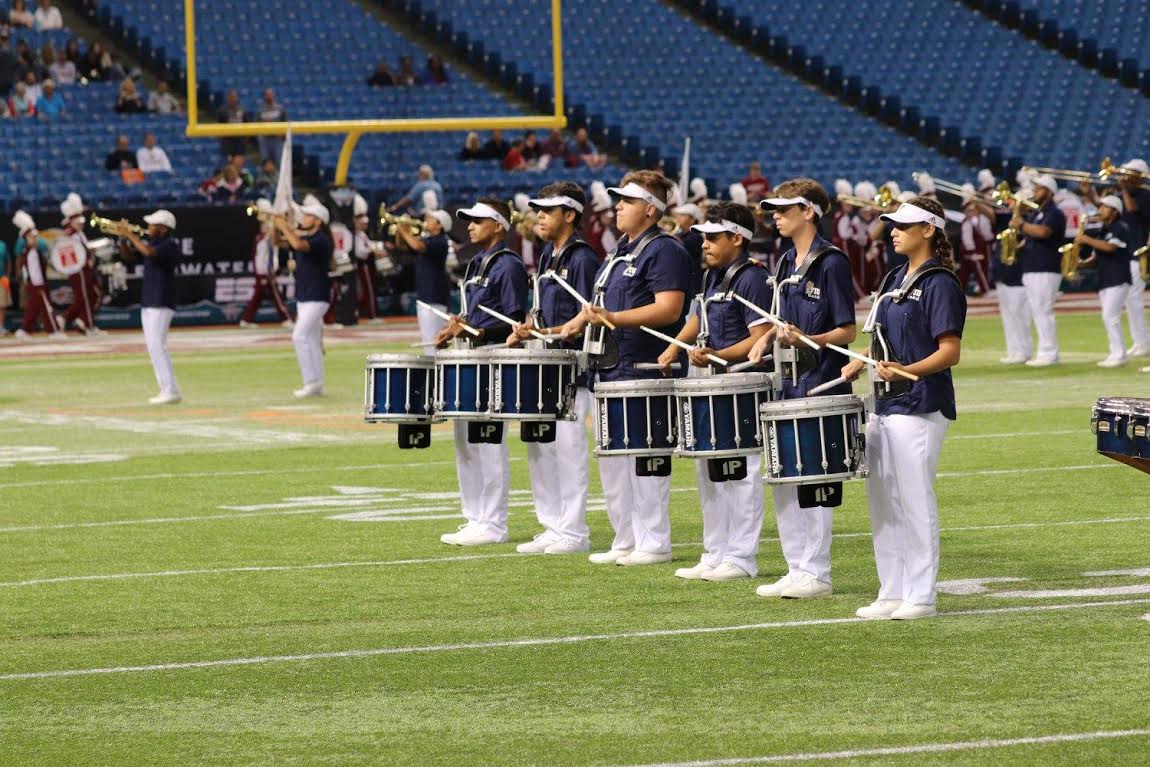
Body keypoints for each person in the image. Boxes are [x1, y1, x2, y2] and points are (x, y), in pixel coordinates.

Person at [559, 170, 692, 567]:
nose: (617, 206)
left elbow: (669, 307)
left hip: (644, 367)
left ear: (649, 209)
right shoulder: (620, 249)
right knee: (613, 459)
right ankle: (625, 537)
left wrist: (613, 316)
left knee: (645, 456)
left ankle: (654, 541)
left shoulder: (664, 249)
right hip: (610, 366)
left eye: (626, 201)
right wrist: (584, 319)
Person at [842, 197, 967, 621]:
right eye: (891, 225)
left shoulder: (940, 282)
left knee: (914, 499)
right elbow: (879, 336)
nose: (892, 230)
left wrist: (905, 371)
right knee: (883, 501)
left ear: (928, 229)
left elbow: (949, 351)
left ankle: (921, 594)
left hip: (920, 404)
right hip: (884, 404)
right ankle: (891, 589)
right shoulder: (894, 276)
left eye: (902, 225)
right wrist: (862, 357)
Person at [749, 178, 857, 599]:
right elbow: (780, 320)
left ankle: (817, 571)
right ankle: (796, 567)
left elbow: (847, 329)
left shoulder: (831, 261)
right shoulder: (782, 263)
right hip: (787, 382)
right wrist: (768, 337)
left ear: (808, 211)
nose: (775, 216)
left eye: (783, 209)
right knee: (783, 476)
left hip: (819, 384)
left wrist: (808, 339)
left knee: (813, 477)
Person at [658, 202, 771, 581]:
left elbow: (758, 340)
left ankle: (741, 557)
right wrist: (675, 346)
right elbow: (697, 317)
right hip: (710, 383)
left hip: (741, 385)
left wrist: (718, 355)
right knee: (710, 471)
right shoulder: (712, 276)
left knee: (740, 473)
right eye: (703, 237)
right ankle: (715, 551)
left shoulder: (752, 278)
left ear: (736, 238)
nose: (703, 244)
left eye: (712, 237)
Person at [507, 182, 600, 555]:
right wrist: (531, 325)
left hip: (572, 367)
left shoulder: (582, 258)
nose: (539, 216)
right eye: (539, 210)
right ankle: (552, 523)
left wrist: (557, 330)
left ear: (571, 214)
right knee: (541, 448)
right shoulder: (548, 255)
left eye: (548, 211)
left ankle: (574, 530)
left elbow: (589, 309)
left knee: (569, 449)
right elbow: (544, 307)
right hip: (546, 362)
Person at [435, 198, 527, 547]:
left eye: (478, 220)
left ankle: (494, 522)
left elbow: (513, 325)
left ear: (499, 225)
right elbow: (477, 316)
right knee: (466, 441)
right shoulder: (475, 264)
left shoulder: (509, 266)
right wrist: (458, 326)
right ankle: (474, 516)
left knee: (488, 441)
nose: (470, 226)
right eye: (468, 221)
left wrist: (477, 332)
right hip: (470, 357)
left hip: (492, 357)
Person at [118, 211, 183, 404]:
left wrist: (131, 235)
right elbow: (129, 258)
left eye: (153, 225)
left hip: (161, 300)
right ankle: (168, 388)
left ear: (163, 228)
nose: (149, 228)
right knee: (153, 347)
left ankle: (169, 389)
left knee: (157, 346)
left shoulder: (169, 245)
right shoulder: (154, 243)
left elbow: (149, 253)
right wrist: (123, 240)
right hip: (149, 300)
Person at [275, 201, 332, 398]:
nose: (303, 219)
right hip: (307, 295)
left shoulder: (320, 239)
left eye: (307, 216)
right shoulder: (309, 236)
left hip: (316, 295)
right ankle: (318, 383)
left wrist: (284, 225)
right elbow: (281, 242)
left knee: (299, 336)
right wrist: (278, 225)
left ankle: (311, 382)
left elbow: (298, 244)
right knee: (313, 340)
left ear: (317, 221)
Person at [1012, 174, 1065, 367]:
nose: (1035, 192)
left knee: (1043, 310)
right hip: (1033, 267)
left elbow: (1044, 232)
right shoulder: (1036, 213)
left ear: (1050, 192)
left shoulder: (1054, 212)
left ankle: (1049, 352)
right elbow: (1030, 235)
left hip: (1046, 268)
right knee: (1037, 310)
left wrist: (1022, 225)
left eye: (1040, 189)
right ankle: (1045, 350)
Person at [1074, 196, 1133, 367]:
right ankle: (1115, 352)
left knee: (1110, 316)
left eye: (1105, 207)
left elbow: (1110, 247)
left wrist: (1086, 239)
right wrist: (1080, 264)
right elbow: (1097, 257)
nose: (1100, 211)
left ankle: (1120, 355)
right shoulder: (1103, 230)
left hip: (1118, 278)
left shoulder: (1120, 227)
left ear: (1115, 211)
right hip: (1106, 279)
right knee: (1108, 317)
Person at [395, 208, 453, 346]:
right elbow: (402, 246)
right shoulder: (428, 239)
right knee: (428, 338)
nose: (425, 221)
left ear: (440, 225)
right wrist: (400, 232)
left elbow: (416, 246)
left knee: (433, 339)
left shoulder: (440, 241)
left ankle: (437, 367)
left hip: (434, 296)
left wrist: (404, 231)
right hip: (426, 295)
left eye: (430, 219)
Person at [990, 181, 1032, 364]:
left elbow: (1025, 242)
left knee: (1019, 314)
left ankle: (1024, 350)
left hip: (1017, 275)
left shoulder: (1028, 221)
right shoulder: (1011, 219)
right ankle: (1013, 350)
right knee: (1008, 316)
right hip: (1003, 273)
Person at [1116, 159, 1150, 358]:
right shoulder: (1125, 194)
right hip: (1129, 252)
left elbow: (1132, 210)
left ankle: (1144, 343)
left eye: (1130, 172)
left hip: (1140, 252)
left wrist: (1124, 190)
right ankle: (1140, 341)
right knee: (1131, 299)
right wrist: (1090, 195)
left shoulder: (1145, 194)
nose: (1125, 176)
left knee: (1134, 298)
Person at [239, 200, 292, 328]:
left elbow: (278, 238)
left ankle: (246, 319)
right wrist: (270, 216)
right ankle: (286, 319)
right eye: (263, 224)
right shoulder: (262, 237)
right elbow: (272, 231)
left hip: (266, 270)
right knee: (275, 295)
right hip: (264, 271)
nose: (265, 226)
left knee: (258, 297)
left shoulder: (267, 235)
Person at [11, 210, 63, 339]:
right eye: (31, 237)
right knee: (46, 308)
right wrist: (38, 285)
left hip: (38, 284)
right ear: (26, 239)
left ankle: (24, 330)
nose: (34, 239)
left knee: (32, 309)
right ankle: (53, 331)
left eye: (35, 237)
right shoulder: (28, 253)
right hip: (36, 284)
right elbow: (33, 272)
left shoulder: (35, 252)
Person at [59, 193, 102, 335]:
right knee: (83, 296)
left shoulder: (79, 233)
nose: (81, 223)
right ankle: (87, 324)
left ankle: (78, 320)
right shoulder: (70, 234)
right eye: (78, 221)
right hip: (78, 270)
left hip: (85, 269)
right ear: (71, 221)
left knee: (93, 294)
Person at [957, 185, 992, 296]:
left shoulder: (983, 220)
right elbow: (966, 239)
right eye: (968, 210)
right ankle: (957, 292)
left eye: (972, 210)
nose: (970, 212)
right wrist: (970, 251)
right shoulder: (966, 222)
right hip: (968, 252)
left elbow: (988, 236)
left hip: (980, 251)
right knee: (963, 273)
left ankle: (985, 289)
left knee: (982, 269)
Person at [351, 194, 381, 323]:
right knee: (366, 289)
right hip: (361, 264)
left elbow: (369, 245)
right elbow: (361, 252)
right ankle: (370, 315)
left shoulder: (361, 234)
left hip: (366, 264)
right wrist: (373, 250)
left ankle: (369, 313)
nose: (364, 225)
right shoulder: (353, 234)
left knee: (368, 289)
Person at [256, 88, 285, 163]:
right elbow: (256, 124)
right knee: (265, 161)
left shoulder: (280, 108)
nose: (269, 96)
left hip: (277, 139)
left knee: (279, 161)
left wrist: (281, 134)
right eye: (267, 94)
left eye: (271, 94)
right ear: (264, 96)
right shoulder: (260, 109)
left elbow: (284, 122)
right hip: (265, 138)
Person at [215, 90, 248, 157]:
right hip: (228, 141)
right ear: (228, 98)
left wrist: (245, 140)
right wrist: (221, 141)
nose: (234, 99)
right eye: (232, 97)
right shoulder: (222, 110)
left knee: (239, 162)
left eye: (235, 97)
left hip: (240, 141)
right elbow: (218, 126)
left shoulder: (242, 110)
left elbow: (246, 124)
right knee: (229, 164)